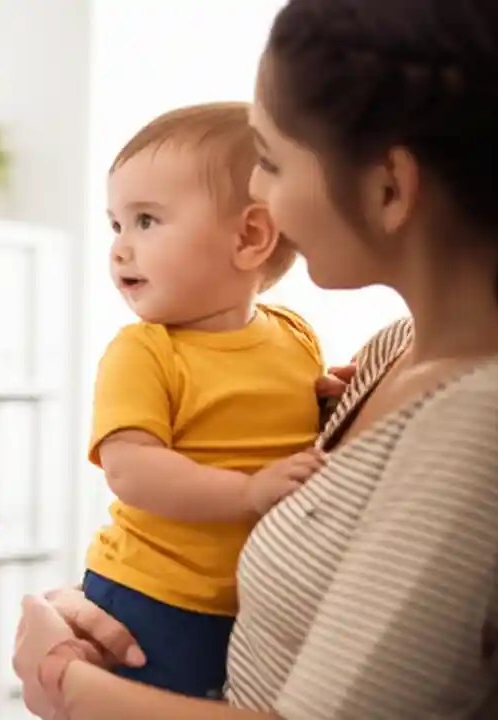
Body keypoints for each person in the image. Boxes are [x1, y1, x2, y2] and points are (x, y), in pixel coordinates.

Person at [14, 0, 498, 717]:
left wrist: (62, 678)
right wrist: (85, 614)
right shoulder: (386, 354)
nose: (255, 192)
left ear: (388, 187)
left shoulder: (485, 424)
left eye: (271, 159)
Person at [83, 102, 325, 698]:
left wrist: (327, 398)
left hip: (254, 604)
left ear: (249, 236)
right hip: (155, 598)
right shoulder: (144, 352)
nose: (119, 249)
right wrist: (245, 492)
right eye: (115, 225)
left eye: (146, 221)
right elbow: (131, 468)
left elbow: (287, 424)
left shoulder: (294, 335)